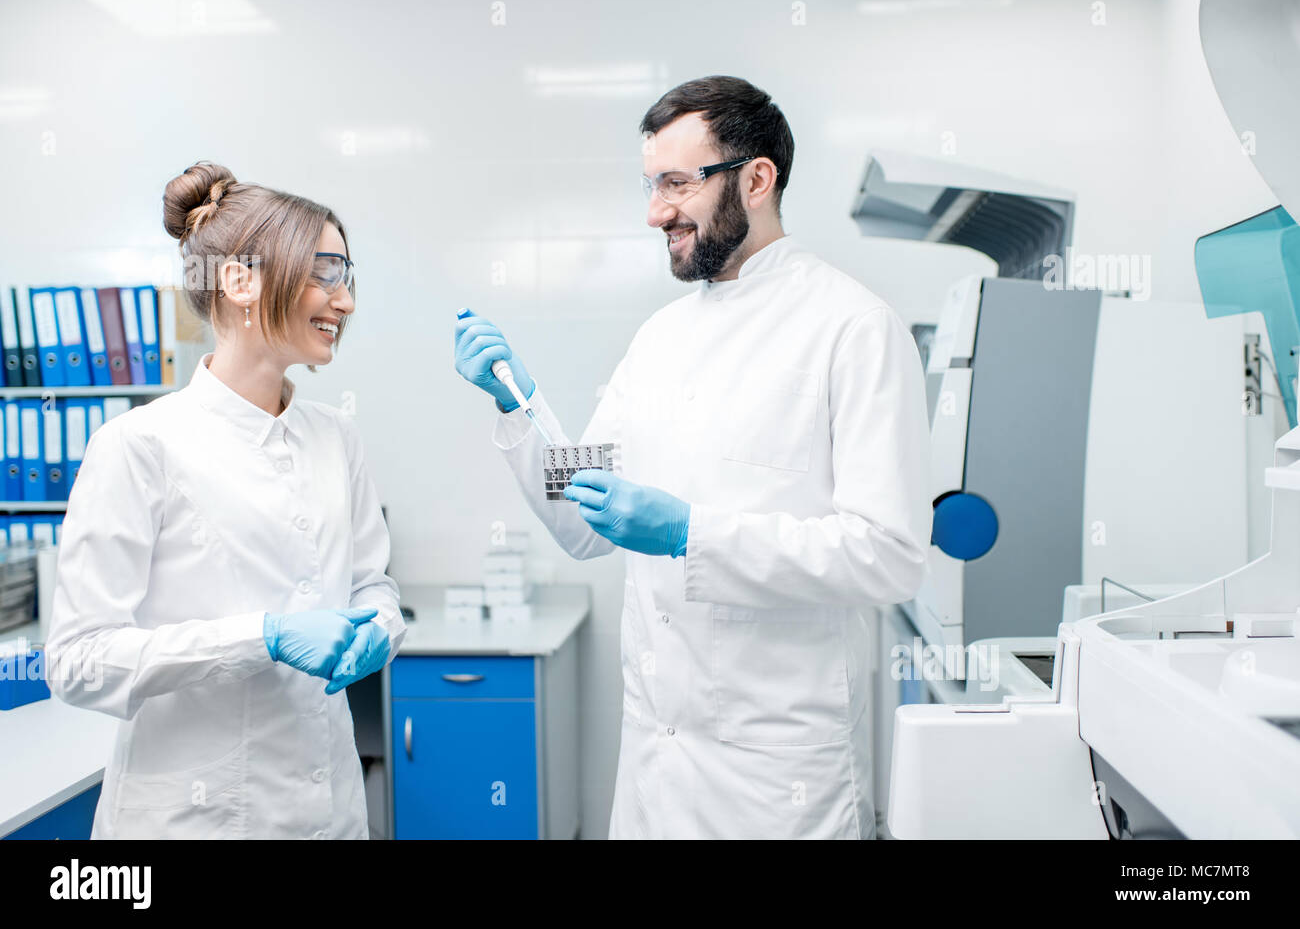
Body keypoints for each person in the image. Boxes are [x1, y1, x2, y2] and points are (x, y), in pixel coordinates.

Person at [455, 76, 931, 838]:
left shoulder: (855, 329)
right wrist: (518, 405)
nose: (656, 212)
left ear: (756, 178)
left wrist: (692, 534)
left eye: (677, 183)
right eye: (650, 185)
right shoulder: (660, 338)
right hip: (654, 773)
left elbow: (889, 555)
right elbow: (582, 524)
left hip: (778, 782)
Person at [45, 162, 404, 839]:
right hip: (192, 819)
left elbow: (373, 587)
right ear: (240, 280)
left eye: (346, 277)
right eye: (324, 272)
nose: (345, 300)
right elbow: (78, 660)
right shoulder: (139, 444)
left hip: (328, 809)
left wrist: (378, 633)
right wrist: (259, 637)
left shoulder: (338, 437)